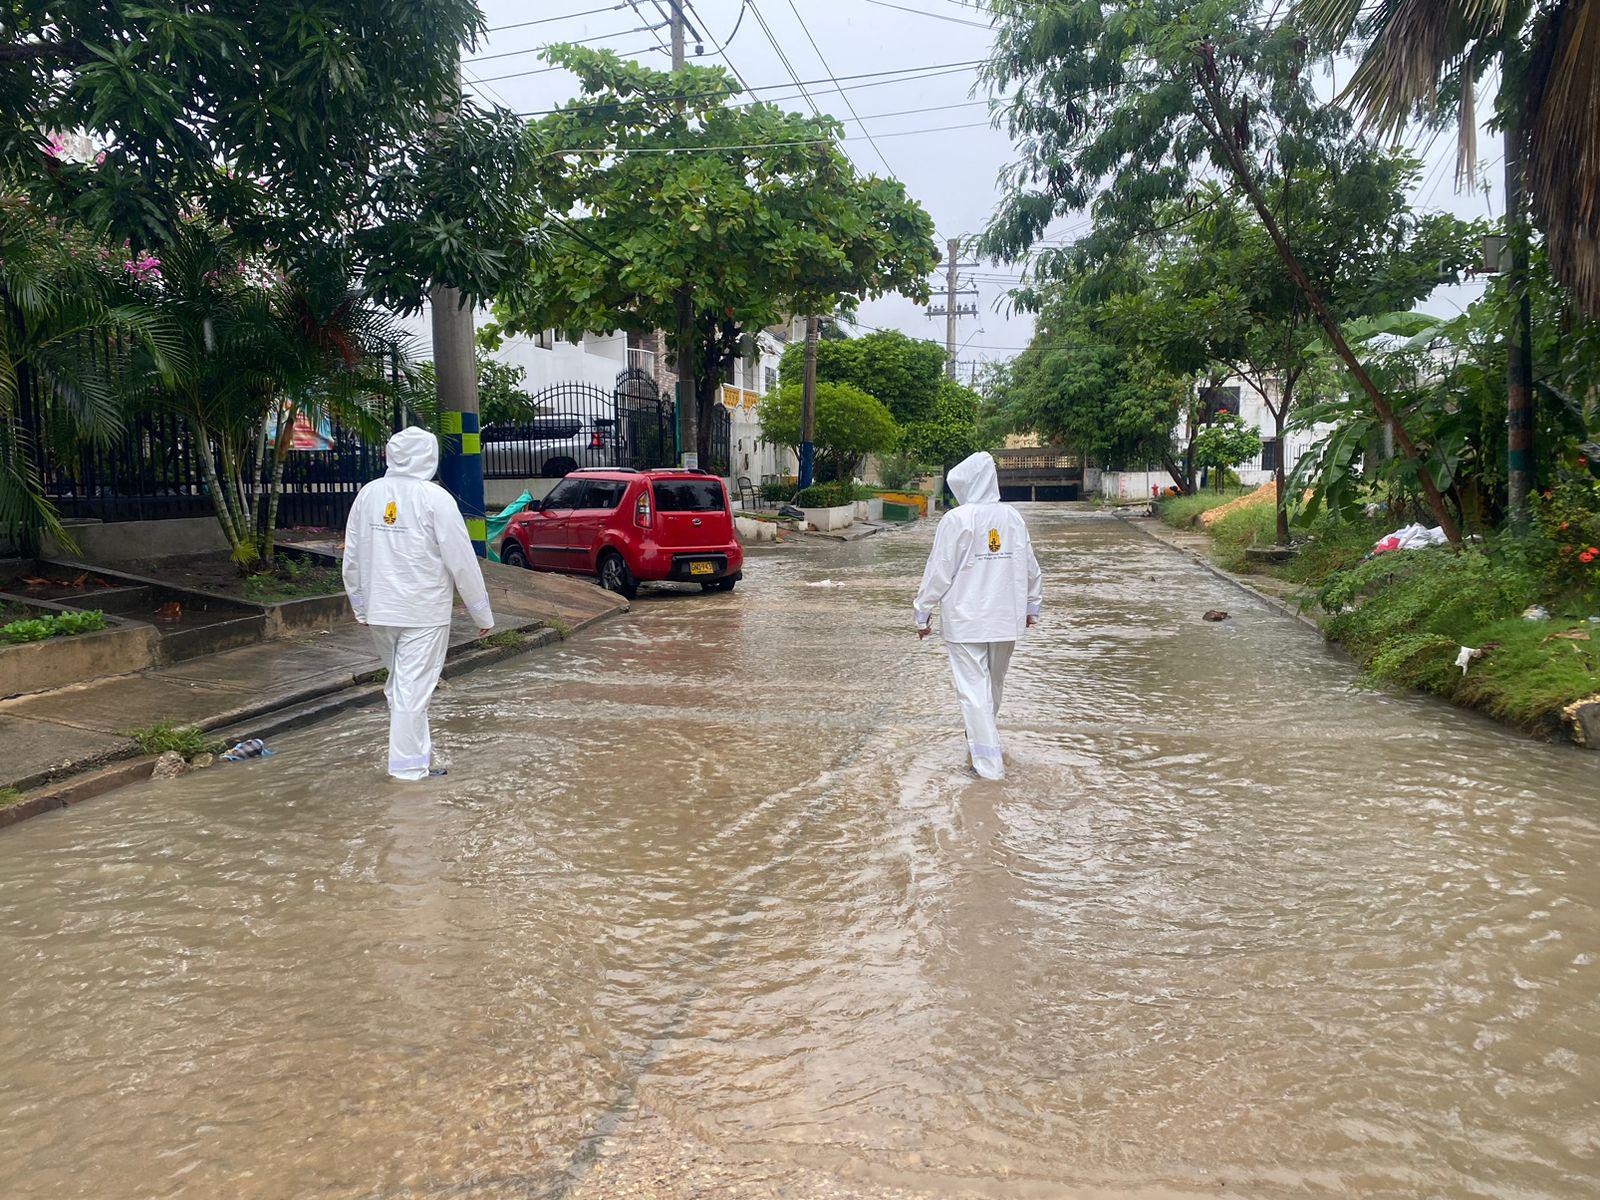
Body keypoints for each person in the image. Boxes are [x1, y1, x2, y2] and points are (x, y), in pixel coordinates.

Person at [343, 427, 494, 781]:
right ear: (430, 457)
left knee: (401, 687)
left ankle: (417, 758)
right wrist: (481, 612)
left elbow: (351, 557)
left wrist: (360, 606)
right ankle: (409, 773)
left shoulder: (368, 495)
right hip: (423, 612)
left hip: (380, 609)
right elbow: (462, 561)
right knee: (412, 690)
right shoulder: (435, 498)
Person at [913, 451, 1043, 780]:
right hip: (1005, 618)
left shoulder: (957, 520)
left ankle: (988, 767)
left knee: (973, 692)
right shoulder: (1012, 517)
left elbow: (939, 571)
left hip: (966, 620)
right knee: (992, 688)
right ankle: (981, 746)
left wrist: (922, 610)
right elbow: (1030, 566)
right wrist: (1031, 605)